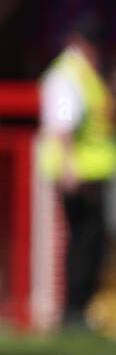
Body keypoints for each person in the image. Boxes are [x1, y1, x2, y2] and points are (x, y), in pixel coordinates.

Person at [39, 22, 116, 326]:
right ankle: (74, 310)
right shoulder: (69, 74)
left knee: (91, 239)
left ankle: (81, 307)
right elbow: (62, 124)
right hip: (80, 172)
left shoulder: (83, 73)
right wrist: (70, 166)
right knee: (84, 240)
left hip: (91, 170)